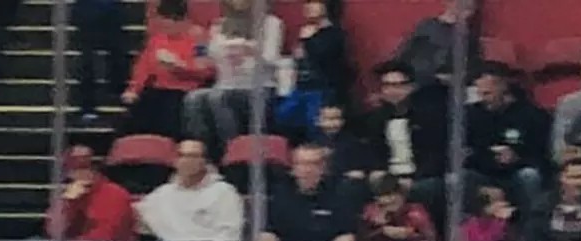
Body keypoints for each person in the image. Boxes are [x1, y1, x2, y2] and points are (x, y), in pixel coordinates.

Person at [188, 0, 289, 151]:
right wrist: (202, 46)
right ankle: (202, 153)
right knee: (193, 99)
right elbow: (210, 57)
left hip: (259, 86)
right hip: (225, 84)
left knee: (217, 97)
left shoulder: (271, 23)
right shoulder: (219, 25)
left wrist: (251, 50)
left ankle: (232, 150)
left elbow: (272, 57)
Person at [348, 60, 448, 197]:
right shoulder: (374, 120)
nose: (392, 91)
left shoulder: (429, 117)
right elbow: (373, 152)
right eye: (387, 86)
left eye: (398, 85)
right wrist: (375, 171)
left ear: (411, 87)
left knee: (428, 189)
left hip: (420, 177)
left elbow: (435, 155)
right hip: (387, 177)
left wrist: (415, 179)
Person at [122, 0, 212, 140]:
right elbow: (143, 68)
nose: (166, 25)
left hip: (185, 90)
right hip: (158, 88)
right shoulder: (157, 40)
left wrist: (180, 66)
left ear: (183, 21)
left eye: (171, 21)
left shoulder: (199, 40)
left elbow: (205, 71)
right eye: (163, 21)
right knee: (134, 114)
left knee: (169, 114)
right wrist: (134, 89)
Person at [466, 65, 548, 213]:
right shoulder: (472, 115)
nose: (483, 99)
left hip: (517, 172)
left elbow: (541, 155)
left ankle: (532, 226)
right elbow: (468, 152)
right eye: (479, 94)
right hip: (484, 173)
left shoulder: (532, 115)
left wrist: (517, 158)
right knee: (458, 177)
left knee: (530, 176)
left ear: (503, 88)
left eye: (487, 93)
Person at [276, 0, 352, 135]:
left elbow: (324, 56)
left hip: (322, 90)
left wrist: (308, 40)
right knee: (283, 116)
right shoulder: (304, 31)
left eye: (314, 3)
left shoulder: (334, 34)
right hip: (300, 87)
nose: (308, 7)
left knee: (315, 125)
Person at [392, 0, 479, 89]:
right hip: (422, 85)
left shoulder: (470, 36)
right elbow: (404, 56)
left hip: (452, 89)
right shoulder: (427, 27)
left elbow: (474, 68)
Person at [70, 0, 130, 123]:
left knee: (114, 52)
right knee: (88, 59)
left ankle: (116, 93)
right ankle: (91, 103)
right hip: (91, 10)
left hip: (104, 9)